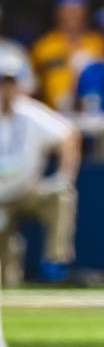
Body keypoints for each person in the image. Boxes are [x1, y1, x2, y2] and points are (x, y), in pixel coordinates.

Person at [0, 49, 80, 294]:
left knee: (61, 195)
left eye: (10, 82)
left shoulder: (30, 112)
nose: (5, 89)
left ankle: (54, 266)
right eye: (1, 82)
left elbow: (68, 135)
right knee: (7, 280)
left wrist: (63, 178)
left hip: (26, 192)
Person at [30, 0, 104, 112]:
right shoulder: (43, 46)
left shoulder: (97, 43)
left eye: (77, 9)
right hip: (52, 116)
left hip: (91, 115)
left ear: (85, 12)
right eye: (67, 9)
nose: (72, 14)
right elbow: (34, 85)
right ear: (57, 12)